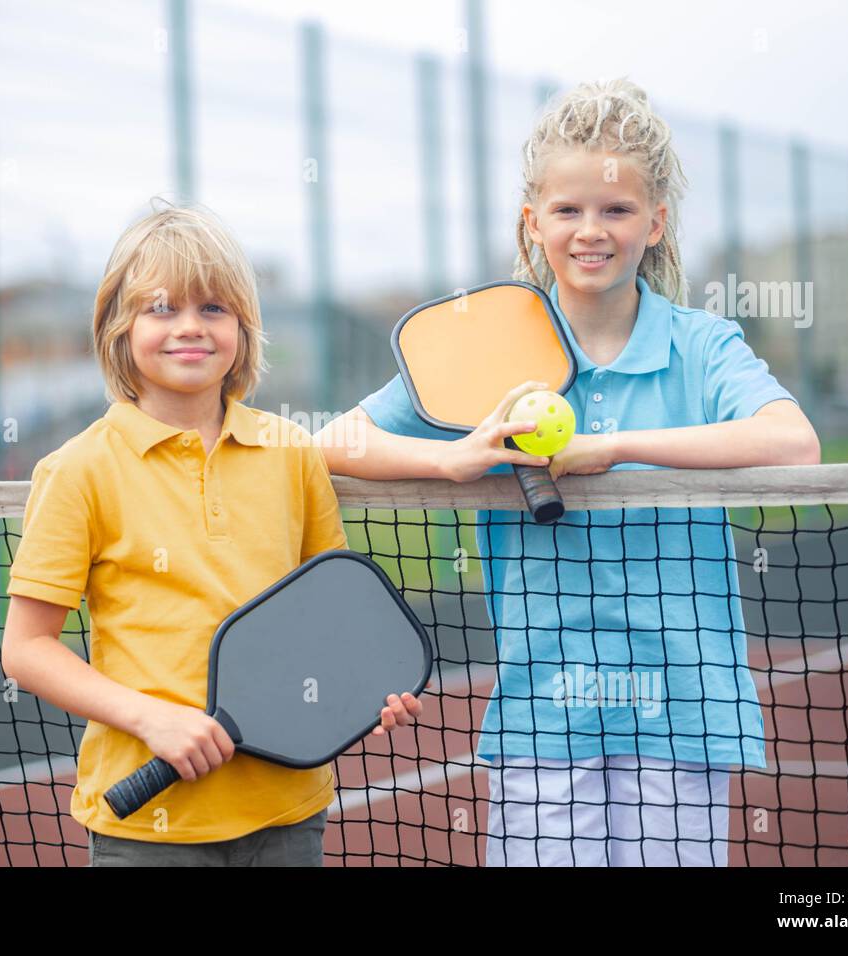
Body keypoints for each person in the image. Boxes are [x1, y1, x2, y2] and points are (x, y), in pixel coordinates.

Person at [314, 78, 820, 866]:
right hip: (544, 717)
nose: (592, 231)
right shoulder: (483, 348)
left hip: (682, 710)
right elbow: (336, 444)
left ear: (655, 222)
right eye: (568, 210)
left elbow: (792, 443)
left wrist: (615, 450)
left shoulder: (703, 345)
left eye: (617, 210)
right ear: (533, 223)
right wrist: (454, 458)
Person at [1, 201, 422, 867]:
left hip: (288, 811)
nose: (189, 328)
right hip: (148, 827)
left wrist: (361, 689)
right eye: (162, 308)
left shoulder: (292, 453)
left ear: (243, 328)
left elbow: (332, 618)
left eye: (213, 310)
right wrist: (151, 719)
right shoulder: (78, 470)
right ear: (119, 326)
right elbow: (27, 651)